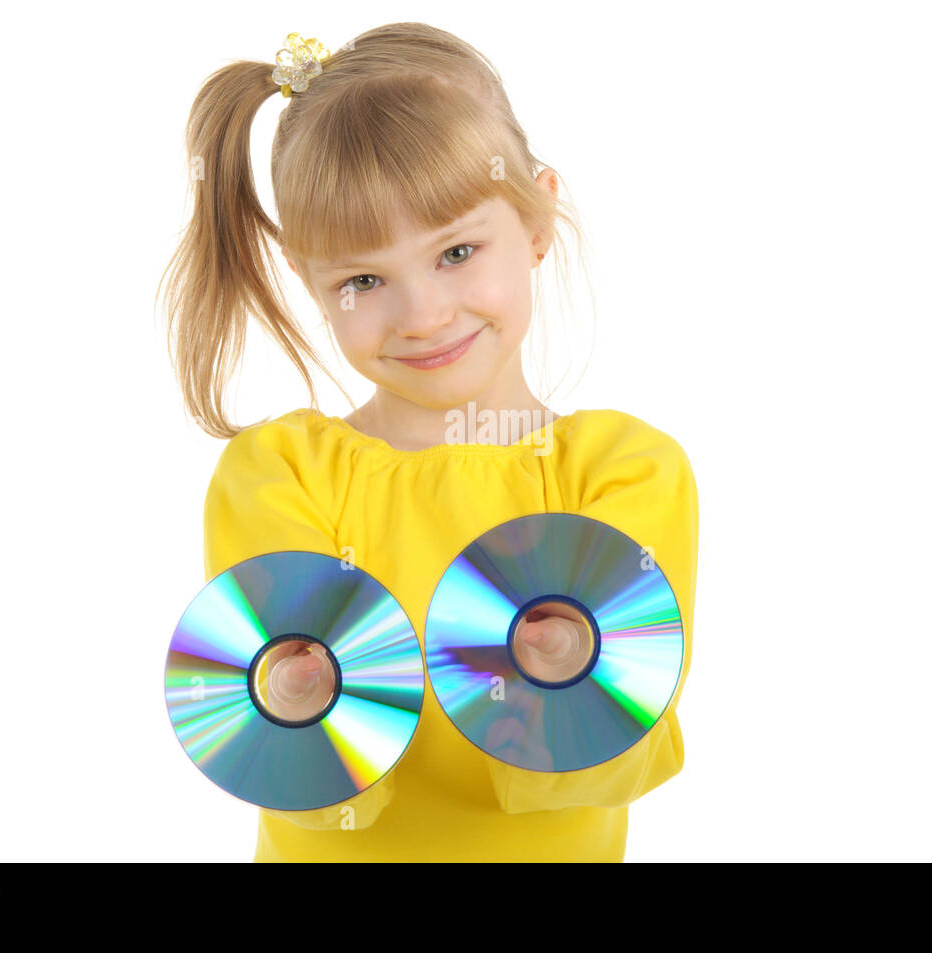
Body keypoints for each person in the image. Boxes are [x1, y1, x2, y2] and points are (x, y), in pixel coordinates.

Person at [160, 22, 700, 862]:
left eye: (456, 251)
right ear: (310, 283)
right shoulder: (279, 474)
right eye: (364, 280)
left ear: (538, 216)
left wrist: (568, 666)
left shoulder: (624, 472)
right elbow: (282, 753)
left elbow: (618, 742)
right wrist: (293, 700)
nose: (424, 315)